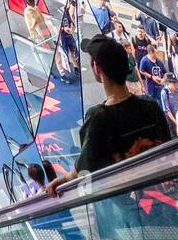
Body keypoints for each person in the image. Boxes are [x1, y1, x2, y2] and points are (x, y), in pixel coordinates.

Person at [47, 39, 170, 190]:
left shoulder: (98, 118)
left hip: (126, 196)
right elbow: (167, 146)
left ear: (97, 68)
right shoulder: (151, 106)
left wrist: (66, 179)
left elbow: (85, 168)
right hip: (160, 189)